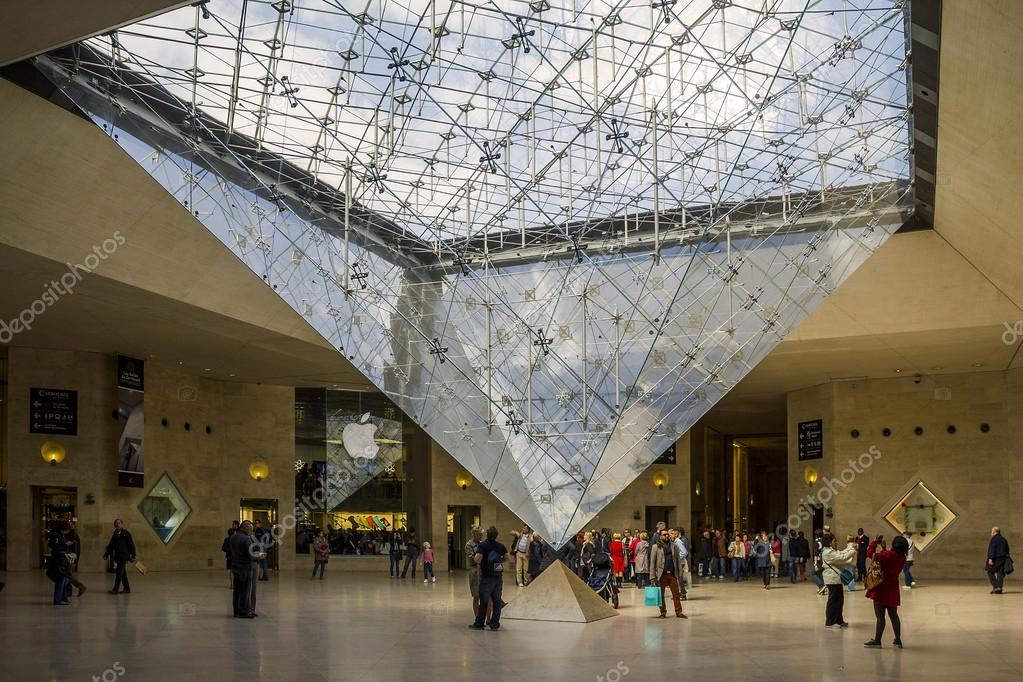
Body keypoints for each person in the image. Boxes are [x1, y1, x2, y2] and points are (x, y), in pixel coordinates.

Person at [864, 535, 910, 648]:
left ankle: (877, 641)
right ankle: (898, 640)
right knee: (894, 615)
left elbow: (870, 554)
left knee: (880, 616)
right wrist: (884, 549)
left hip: (881, 587)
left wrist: (875, 542)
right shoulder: (902, 557)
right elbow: (888, 559)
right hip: (893, 588)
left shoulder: (889, 554)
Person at [470, 526, 508, 631]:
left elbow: (477, 560)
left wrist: (479, 559)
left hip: (486, 577)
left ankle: (479, 624)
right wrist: (499, 562)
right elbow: (507, 558)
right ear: (496, 535)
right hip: (498, 577)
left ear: (487, 534)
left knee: (484, 601)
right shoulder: (501, 546)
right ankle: (494, 624)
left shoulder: (483, 545)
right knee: (497, 602)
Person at [649, 528, 687, 619]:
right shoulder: (655, 547)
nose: (666, 536)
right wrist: (652, 576)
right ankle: (663, 612)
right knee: (660, 595)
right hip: (661, 574)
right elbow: (652, 562)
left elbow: (677, 560)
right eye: (664, 534)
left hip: (672, 574)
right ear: (660, 536)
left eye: (667, 534)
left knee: (676, 594)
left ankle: (679, 612)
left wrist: (680, 573)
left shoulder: (674, 546)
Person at [821, 534, 857, 629]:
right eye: (834, 541)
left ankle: (838, 620)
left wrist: (850, 546)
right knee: (833, 601)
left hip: (836, 579)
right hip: (832, 580)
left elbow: (841, 553)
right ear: (829, 542)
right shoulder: (828, 552)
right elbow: (842, 557)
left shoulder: (832, 551)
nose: (836, 542)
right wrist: (853, 550)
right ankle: (830, 622)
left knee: (839, 601)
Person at [229, 521, 258, 618]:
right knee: (245, 590)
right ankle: (243, 612)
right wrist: (259, 556)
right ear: (246, 529)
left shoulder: (233, 537)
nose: (251, 532)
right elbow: (250, 555)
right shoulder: (246, 539)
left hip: (235, 566)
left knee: (236, 590)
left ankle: (236, 611)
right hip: (244, 567)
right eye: (250, 530)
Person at [103, 519, 136, 594]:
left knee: (119, 573)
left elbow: (131, 544)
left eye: (119, 523)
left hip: (124, 556)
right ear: (114, 525)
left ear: (122, 524)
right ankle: (127, 588)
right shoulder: (115, 534)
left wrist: (133, 555)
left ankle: (115, 589)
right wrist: (106, 554)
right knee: (123, 574)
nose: (117, 524)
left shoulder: (126, 533)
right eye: (116, 523)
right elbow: (111, 545)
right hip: (118, 556)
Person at [46, 522, 72, 605]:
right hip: (58, 560)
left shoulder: (60, 534)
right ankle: (57, 599)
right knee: (61, 579)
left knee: (65, 579)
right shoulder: (56, 535)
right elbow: (55, 546)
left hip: (61, 559)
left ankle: (64, 597)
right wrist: (65, 545)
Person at [465, 527, 484, 621]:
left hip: (483, 571)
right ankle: (477, 617)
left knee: (484, 595)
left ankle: (482, 616)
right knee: (476, 595)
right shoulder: (469, 545)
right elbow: (472, 559)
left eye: (481, 535)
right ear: (474, 534)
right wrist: (481, 559)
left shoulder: (482, 543)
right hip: (475, 572)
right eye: (479, 535)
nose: (481, 536)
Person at [986, 526, 1011, 594]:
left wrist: (990, 558)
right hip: (1003, 559)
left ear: (994, 532)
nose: (991, 532)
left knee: (990, 572)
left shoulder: (994, 539)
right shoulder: (1004, 539)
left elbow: (992, 549)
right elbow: (1007, 549)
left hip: (996, 559)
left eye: (992, 531)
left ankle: (997, 587)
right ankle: (999, 588)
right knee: (1000, 574)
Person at [66, 519, 86, 597]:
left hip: (71, 558)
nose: (70, 526)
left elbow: (76, 550)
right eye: (68, 525)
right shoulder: (68, 534)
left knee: (68, 575)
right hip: (68, 557)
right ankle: (69, 591)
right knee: (68, 574)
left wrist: (75, 560)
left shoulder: (74, 535)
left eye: (71, 525)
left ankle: (81, 586)